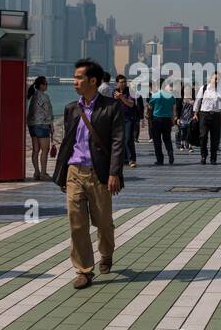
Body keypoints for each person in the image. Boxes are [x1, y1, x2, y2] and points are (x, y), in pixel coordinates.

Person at [52, 58, 125, 290]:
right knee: (76, 223)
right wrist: (62, 173)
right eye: (74, 77)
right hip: (74, 171)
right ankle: (83, 270)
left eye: (79, 78)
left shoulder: (111, 107)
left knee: (103, 223)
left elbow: (117, 142)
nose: (74, 82)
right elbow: (68, 142)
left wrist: (114, 172)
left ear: (93, 81)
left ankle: (106, 252)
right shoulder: (72, 109)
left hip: (99, 173)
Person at [26, 75, 54, 180]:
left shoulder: (33, 96)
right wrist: (51, 124)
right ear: (41, 85)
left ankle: (36, 172)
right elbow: (47, 112)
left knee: (35, 150)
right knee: (45, 150)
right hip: (42, 125)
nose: (47, 85)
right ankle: (43, 173)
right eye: (45, 83)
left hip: (32, 125)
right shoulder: (44, 96)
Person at [196, 72, 221, 164]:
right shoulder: (204, 88)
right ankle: (203, 156)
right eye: (215, 78)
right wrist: (195, 113)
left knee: (215, 138)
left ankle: (213, 158)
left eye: (218, 79)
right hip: (204, 114)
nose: (217, 80)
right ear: (211, 79)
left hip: (216, 115)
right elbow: (198, 100)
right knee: (203, 136)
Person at [148, 79, 177, 164]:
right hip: (167, 120)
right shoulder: (171, 96)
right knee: (167, 139)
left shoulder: (155, 95)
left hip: (157, 120)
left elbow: (150, 106)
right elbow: (173, 108)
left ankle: (160, 160)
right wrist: (173, 120)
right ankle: (170, 152)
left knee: (157, 141)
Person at [113, 74, 139, 168]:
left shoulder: (130, 91)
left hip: (129, 118)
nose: (123, 84)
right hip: (117, 119)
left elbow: (131, 104)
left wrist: (122, 98)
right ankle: (124, 159)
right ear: (117, 83)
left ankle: (132, 159)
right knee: (120, 140)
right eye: (121, 82)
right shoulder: (114, 92)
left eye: (125, 82)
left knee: (128, 139)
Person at [176, 87, 195, 153]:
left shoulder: (193, 99)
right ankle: (182, 144)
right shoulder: (181, 99)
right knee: (183, 132)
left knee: (190, 133)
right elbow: (178, 109)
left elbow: (196, 108)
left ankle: (190, 146)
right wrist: (178, 118)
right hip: (182, 119)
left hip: (191, 118)